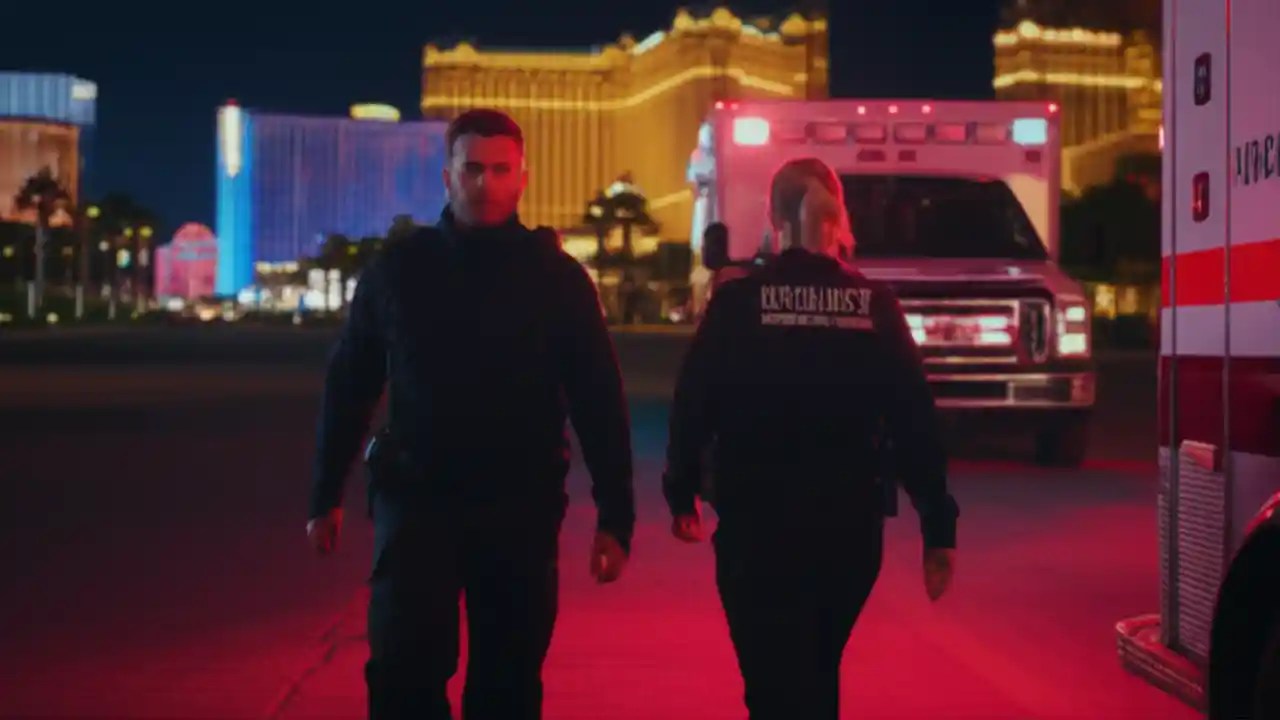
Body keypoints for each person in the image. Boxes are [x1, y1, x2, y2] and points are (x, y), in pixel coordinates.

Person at [305, 108, 636, 720]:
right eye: (473, 168)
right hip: (417, 505)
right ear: (448, 176)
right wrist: (325, 491)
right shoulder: (400, 271)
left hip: (519, 508)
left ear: (522, 179)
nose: (486, 183)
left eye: (500, 170)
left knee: (507, 684)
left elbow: (598, 397)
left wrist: (617, 515)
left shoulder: (557, 280)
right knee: (404, 677)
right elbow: (351, 383)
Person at [662, 157, 959, 720]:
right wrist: (937, 526)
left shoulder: (739, 304)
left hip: (756, 528)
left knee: (771, 683)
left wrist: (681, 492)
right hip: (848, 533)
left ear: (774, 216)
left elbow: (694, 402)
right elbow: (915, 419)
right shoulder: (874, 307)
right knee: (818, 671)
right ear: (837, 218)